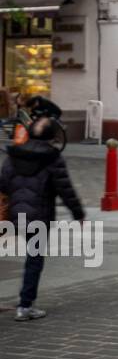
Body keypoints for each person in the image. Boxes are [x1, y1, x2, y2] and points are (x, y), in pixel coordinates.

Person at [0, 118, 85, 321]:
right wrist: (78, 213)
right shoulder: (52, 158)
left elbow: (2, 185)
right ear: (51, 137)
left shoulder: (13, 155)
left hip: (13, 214)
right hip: (39, 216)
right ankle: (25, 306)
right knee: (34, 259)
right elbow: (65, 189)